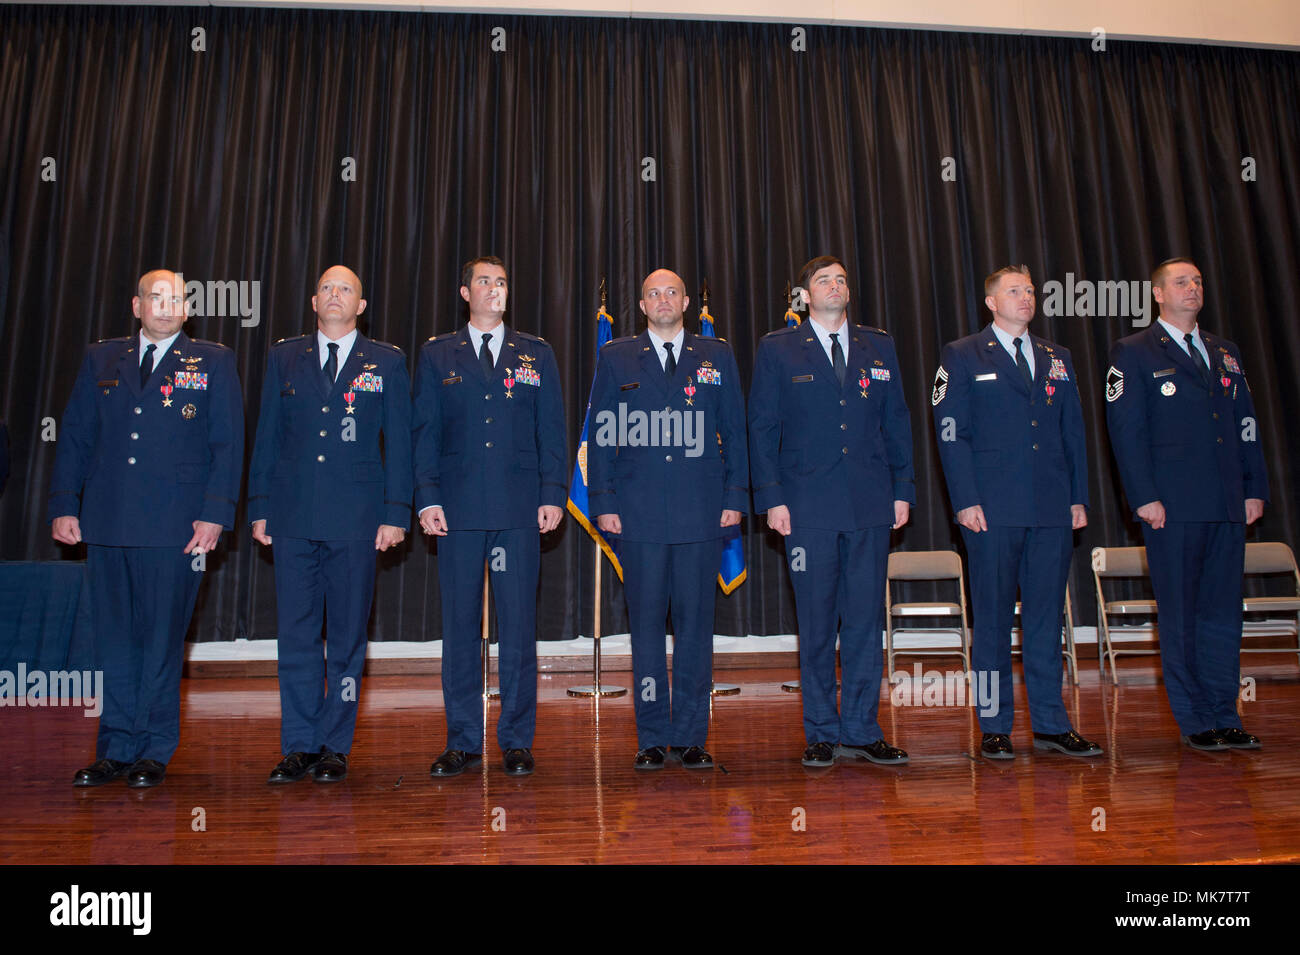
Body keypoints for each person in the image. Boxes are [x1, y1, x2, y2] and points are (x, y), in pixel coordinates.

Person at [49, 269, 243, 788]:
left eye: (175, 298)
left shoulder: (213, 362)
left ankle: (154, 748)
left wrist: (216, 513)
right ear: (137, 307)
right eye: (155, 297)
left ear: (188, 309)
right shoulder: (101, 358)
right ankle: (114, 747)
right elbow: (74, 435)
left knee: (161, 639)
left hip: (176, 526)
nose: (165, 305)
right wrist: (65, 503)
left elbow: (227, 444)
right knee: (113, 639)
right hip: (108, 519)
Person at [248, 265, 411, 783]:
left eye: (346, 289)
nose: (335, 295)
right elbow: (267, 437)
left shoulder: (386, 361)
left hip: (358, 520)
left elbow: (401, 445)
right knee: (295, 635)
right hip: (293, 516)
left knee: (345, 637)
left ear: (361, 306)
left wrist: (395, 513)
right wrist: (259, 506)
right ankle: (298, 743)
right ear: (313, 302)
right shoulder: (283, 358)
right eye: (326, 288)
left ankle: (335, 744)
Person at [748, 255, 912, 768]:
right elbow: (762, 429)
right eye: (824, 280)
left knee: (864, 622)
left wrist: (903, 489)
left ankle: (862, 729)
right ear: (804, 295)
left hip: (869, 503)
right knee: (817, 624)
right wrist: (771, 497)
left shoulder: (878, 345)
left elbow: (898, 423)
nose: (836, 285)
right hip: (806, 508)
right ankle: (820, 729)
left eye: (842, 278)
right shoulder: (778, 349)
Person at [932, 265, 1101, 760]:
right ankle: (994, 726)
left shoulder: (1058, 357)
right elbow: (950, 432)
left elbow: (1074, 432)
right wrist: (964, 500)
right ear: (991, 302)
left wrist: (1077, 496)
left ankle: (1051, 723)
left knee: (1048, 621)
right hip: (991, 511)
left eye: (1029, 291)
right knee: (991, 621)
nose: (1025, 298)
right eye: (1014, 291)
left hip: (1050, 507)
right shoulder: (961, 355)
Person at [1106, 257, 1268, 751]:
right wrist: (1144, 498)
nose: (1192, 288)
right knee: (1181, 614)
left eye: (1197, 281)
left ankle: (1225, 712)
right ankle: (1195, 718)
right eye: (1181, 282)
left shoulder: (1225, 351)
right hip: (1171, 508)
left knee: (1222, 613)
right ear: (1158, 294)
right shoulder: (1132, 352)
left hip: (1226, 503)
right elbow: (1126, 435)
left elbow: (1246, 425)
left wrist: (1254, 486)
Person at [588, 268, 748, 770]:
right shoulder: (616, 357)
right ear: (642, 305)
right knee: (648, 631)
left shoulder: (716, 355)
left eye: (671, 292)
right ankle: (653, 735)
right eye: (653, 293)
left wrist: (735, 497)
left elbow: (735, 432)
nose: (663, 300)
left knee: (697, 630)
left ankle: (692, 736)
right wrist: (605, 503)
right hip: (638, 517)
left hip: (703, 514)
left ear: (684, 302)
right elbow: (601, 434)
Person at [414, 256, 566, 778]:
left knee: (519, 628)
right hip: (456, 510)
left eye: (502, 282)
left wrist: (552, 493)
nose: (494, 289)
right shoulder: (438, 354)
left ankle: (517, 740)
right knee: (459, 628)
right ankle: (462, 740)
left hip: (520, 508)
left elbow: (553, 431)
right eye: (484, 281)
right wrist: (427, 496)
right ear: (465, 292)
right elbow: (425, 434)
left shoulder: (536, 354)